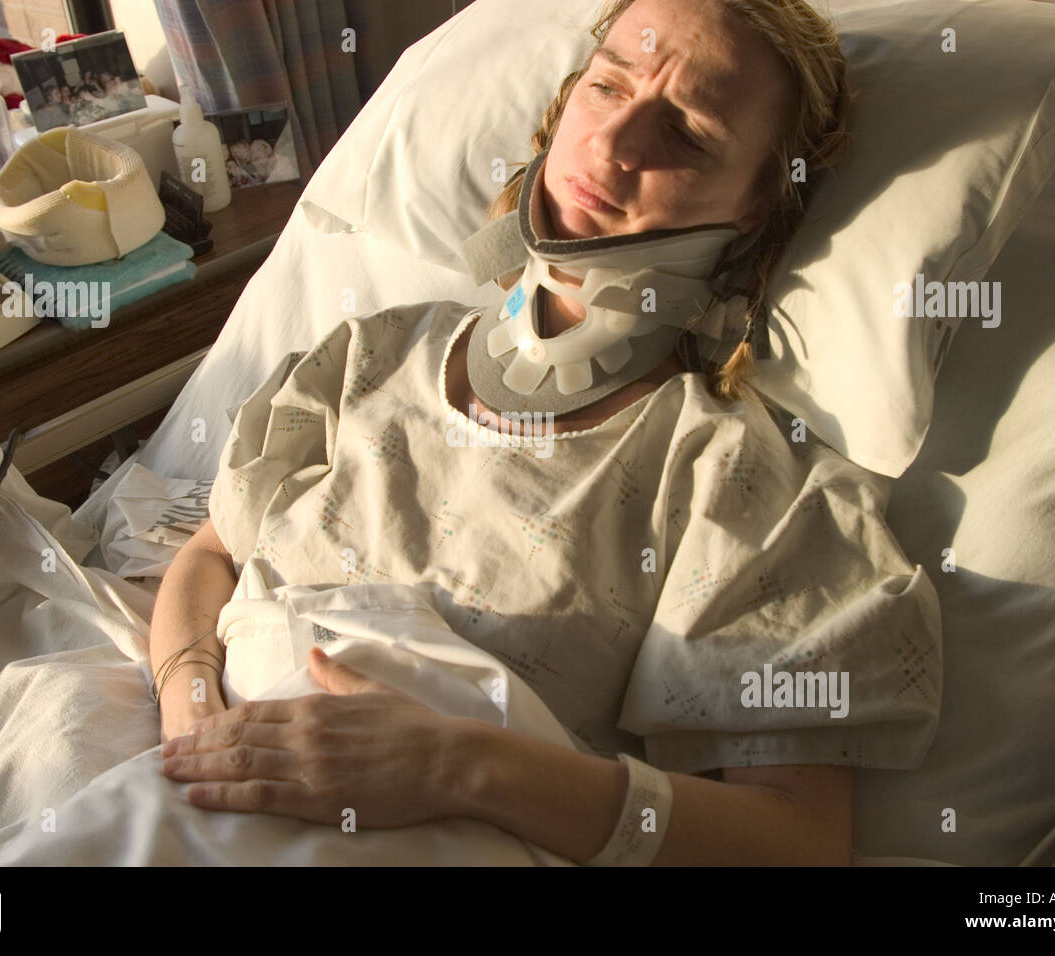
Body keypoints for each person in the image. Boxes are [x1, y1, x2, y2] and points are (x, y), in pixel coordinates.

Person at [148, 0, 942, 866]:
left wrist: (455, 764)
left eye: (688, 132)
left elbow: (801, 840)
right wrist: (191, 708)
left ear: (756, 205)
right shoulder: (372, 352)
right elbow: (209, 553)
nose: (615, 145)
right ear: (564, 106)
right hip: (183, 792)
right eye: (608, 86)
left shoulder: (725, 477)